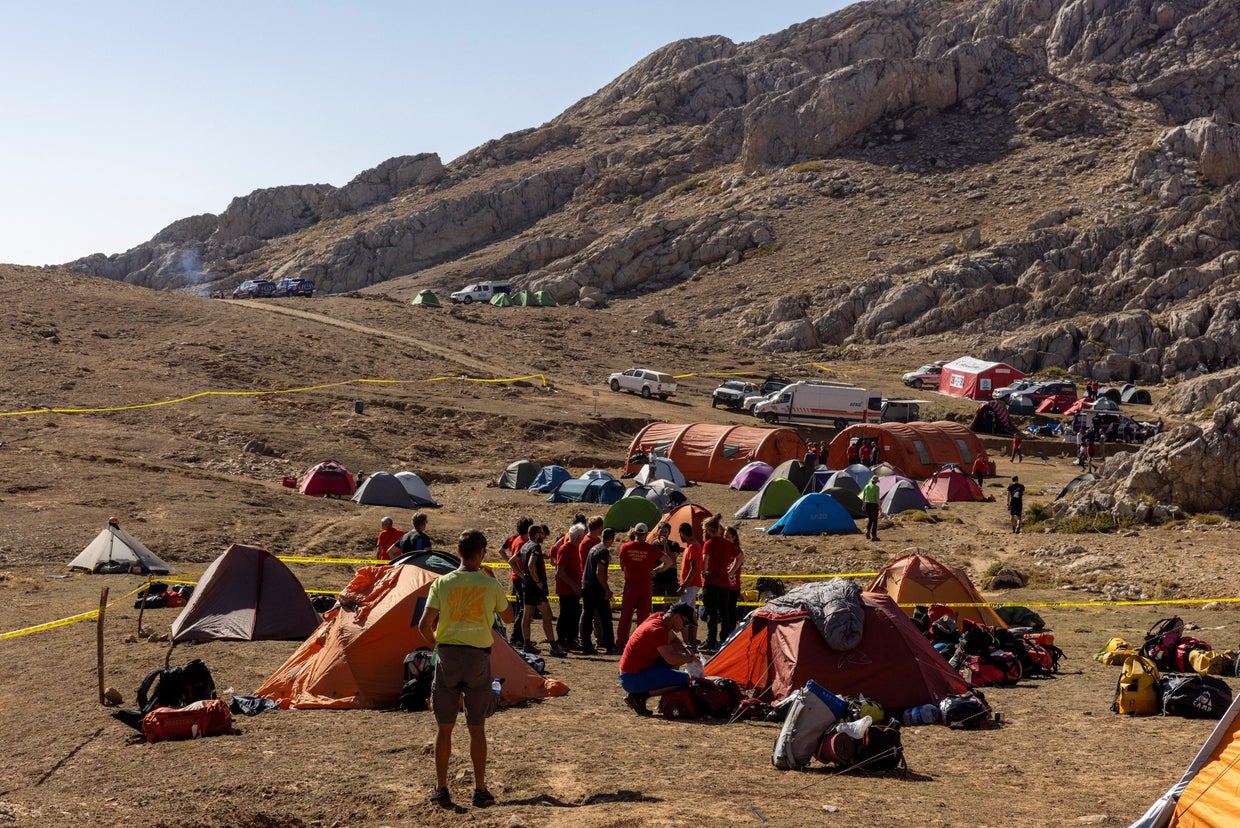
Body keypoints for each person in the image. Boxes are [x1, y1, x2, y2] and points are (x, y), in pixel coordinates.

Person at [417, 529, 513, 809]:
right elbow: (507, 617)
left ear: (458, 552)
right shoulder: (489, 585)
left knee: (444, 728)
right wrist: (495, 582)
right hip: (478, 660)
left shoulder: (442, 583)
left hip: (447, 656)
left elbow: (424, 626)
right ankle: (480, 789)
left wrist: (438, 646)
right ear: (481, 553)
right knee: (476, 727)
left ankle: (441, 788)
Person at [618, 603, 697, 716]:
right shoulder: (657, 630)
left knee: (677, 655)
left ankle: (664, 700)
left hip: (632, 672)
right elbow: (672, 659)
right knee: (684, 680)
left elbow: (674, 640)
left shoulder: (659, 618)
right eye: (685, 622)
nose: (684, 627)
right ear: (676, 617)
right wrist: (690, 658)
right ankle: (639, 696)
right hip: (632, 678)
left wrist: (687, 648)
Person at [616, 523, 674, 648]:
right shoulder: (651, 549)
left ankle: (621, 643)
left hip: (631, 584)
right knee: (643, 617)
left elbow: (621, 565)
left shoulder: (625, 547)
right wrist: (656, 571)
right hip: (646, 585)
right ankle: (640, 643)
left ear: (634, 533)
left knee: (626, 615)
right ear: (647, 534)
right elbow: (669, 562)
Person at [519, 525, 567, 657]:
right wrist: (537, 580)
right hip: (535, 587)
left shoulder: (525, 546)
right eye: (542, 533)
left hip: (527, 585)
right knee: (547, 615)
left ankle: (527, 644)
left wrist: (523, 575)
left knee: (527, 615)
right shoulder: (535, 547)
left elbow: (512, 561)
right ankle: (553, 645)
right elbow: (530, 564)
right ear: (536, 534)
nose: (544, 535)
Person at [700, 514, 740, 653]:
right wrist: (731, 571)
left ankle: (711, 642)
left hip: (711, 582)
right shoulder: (727, 543)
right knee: (725, 613)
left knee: (712, 614)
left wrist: (704, 571)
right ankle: (725, 639)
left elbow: (705, 559)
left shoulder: (709, 543)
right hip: (724, 584)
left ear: (709, 530)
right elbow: (740, 556)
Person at [579, 527, 617, 655]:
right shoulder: (603, 552)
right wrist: (607, 589)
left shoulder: (594, 548)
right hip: (596, 588)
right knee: (605, 617)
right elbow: (599, 572)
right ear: (611, 539)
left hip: (587, 586)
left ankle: (585, 645)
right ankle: (610, 645)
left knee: (588, 616)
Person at [550, 519, 587, 651]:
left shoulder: (576, 548)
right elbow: (560, 571)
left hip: (574, 589)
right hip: (566, 590)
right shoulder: (565, 549)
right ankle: (561, 640)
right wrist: (573, 585)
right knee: (565, 615)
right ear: (578, 537)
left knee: (574, 615)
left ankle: (571, 640)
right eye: (582, 537)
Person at [506, 516, 533, 645]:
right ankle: (516, 637)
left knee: (521, 608)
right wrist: (522, 575)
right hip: (519, 579)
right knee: (523, 609)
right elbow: (513, 561)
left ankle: (520, 638)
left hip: (519, 577)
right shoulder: (521, 542)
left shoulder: (520, 540)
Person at [676, 523, 703, 652]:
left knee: (684, 614)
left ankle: (688, 643)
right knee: (690, 613)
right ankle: (691, 643)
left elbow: (694, 569)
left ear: (682, 533)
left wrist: (683, 585)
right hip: (691, 585)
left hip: (690, 585)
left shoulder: (693, 547)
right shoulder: (692, 546)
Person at [650, 521, 682, 613]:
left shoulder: (674, 545)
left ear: (669, 533)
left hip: (671, 580)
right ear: (658, 531)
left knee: (676, 606)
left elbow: (672, 562)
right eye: (661, 531)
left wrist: (665, 545)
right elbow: (652, 564)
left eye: (666, 532)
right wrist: (664, 565)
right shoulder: (653, 546)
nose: (663, 534)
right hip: (657, 581)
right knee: (656, 608)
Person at [724, 525, 745, 630]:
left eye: (727, 536)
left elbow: (735, 566)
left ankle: (731, 632)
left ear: (734, 537)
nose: (725, 539)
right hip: (724, 585)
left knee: (730, 610)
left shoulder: (738, 552)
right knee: (724, 611)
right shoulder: (724, 550)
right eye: (724, 536)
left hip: (733, 586)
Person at [861, 475, 881, 541]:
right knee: (875, 521)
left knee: (870, 519)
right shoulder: (876, 488)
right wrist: (879, 507)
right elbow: (877, 499)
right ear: (876, 482)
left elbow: (863, 497)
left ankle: (867, 531)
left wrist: (863, 505)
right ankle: (874, 536)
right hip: (873, 505)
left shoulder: (866, 486)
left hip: (867, 504)